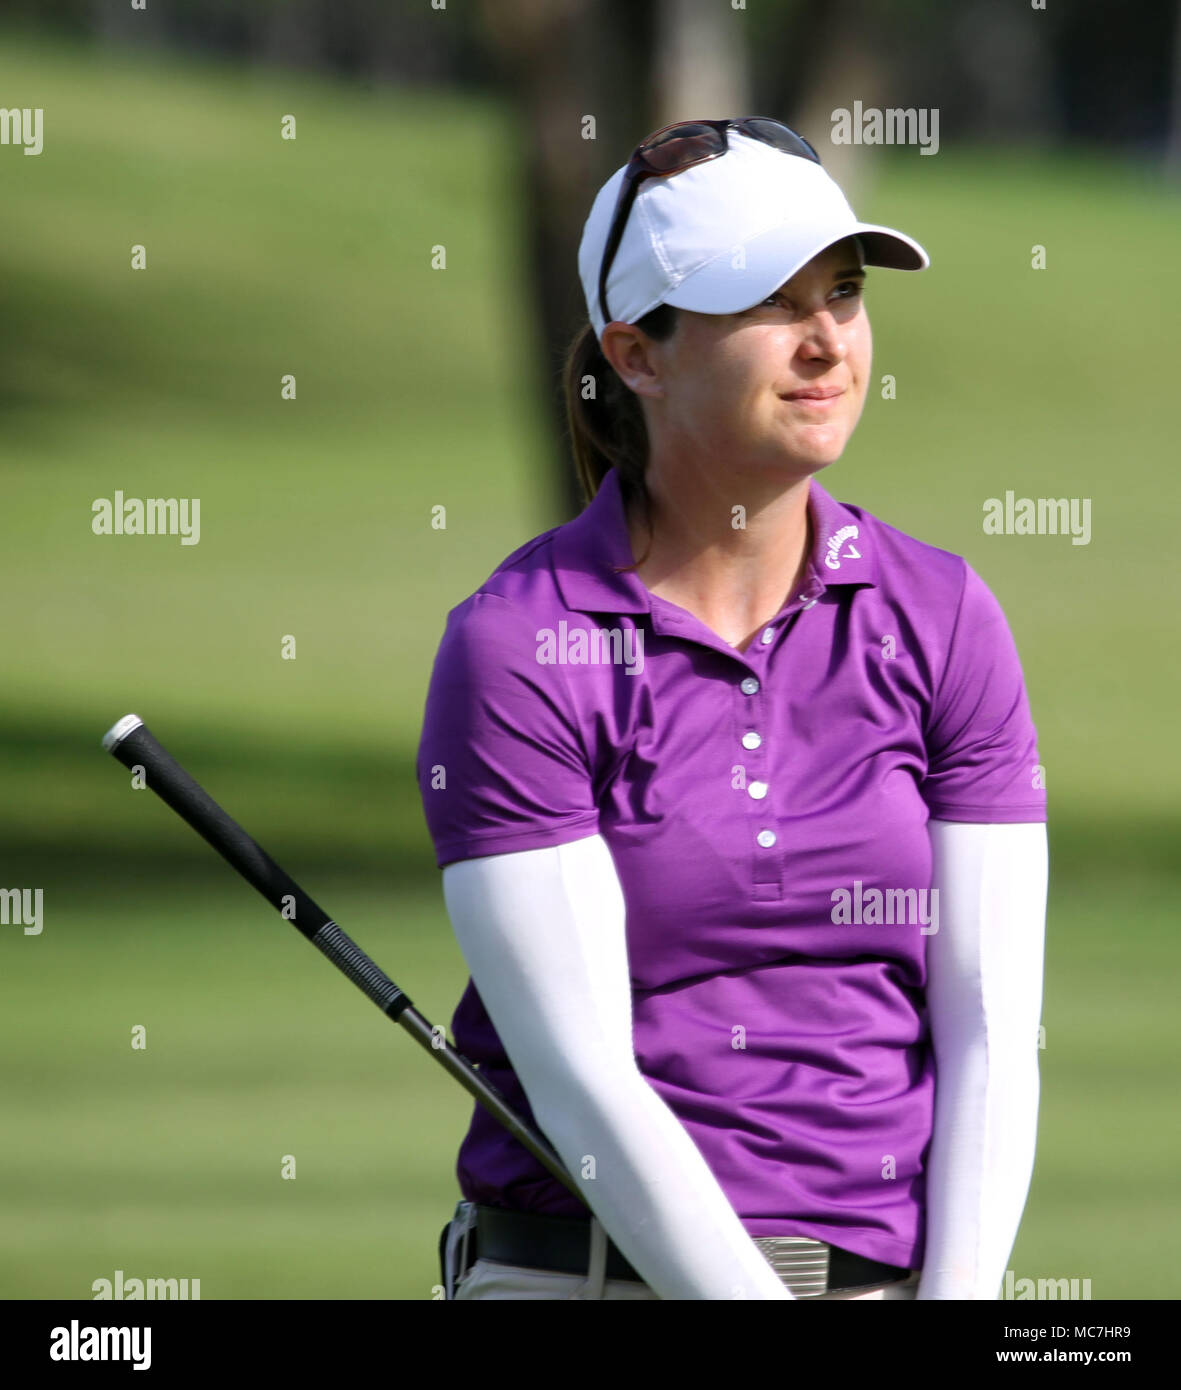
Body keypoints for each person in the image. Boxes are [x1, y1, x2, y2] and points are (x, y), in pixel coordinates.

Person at [417, 118, 1048, 1300]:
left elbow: (987, 1026)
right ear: (637, 355)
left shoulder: (941, 615)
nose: (826, 342)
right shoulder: (519, 646)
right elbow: (581, 1078)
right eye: (771, 300)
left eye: (845, 294)